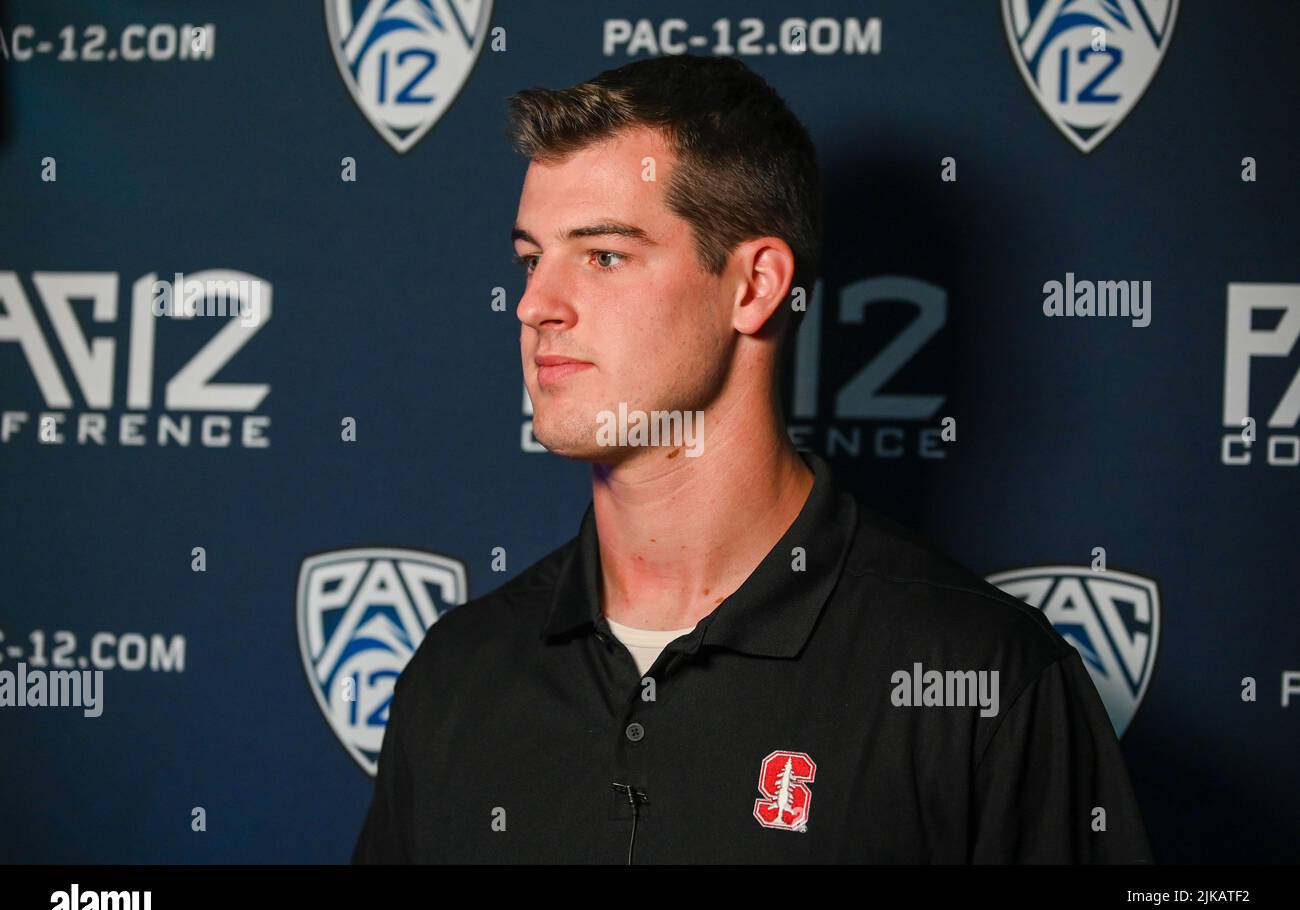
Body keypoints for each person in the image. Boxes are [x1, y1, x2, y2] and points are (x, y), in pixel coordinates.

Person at [352, 54, 1153, 864]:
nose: (533, 305)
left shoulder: (983, 682)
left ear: (756, 286)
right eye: (532, 258)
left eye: (602, 255)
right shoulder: (458, 672)